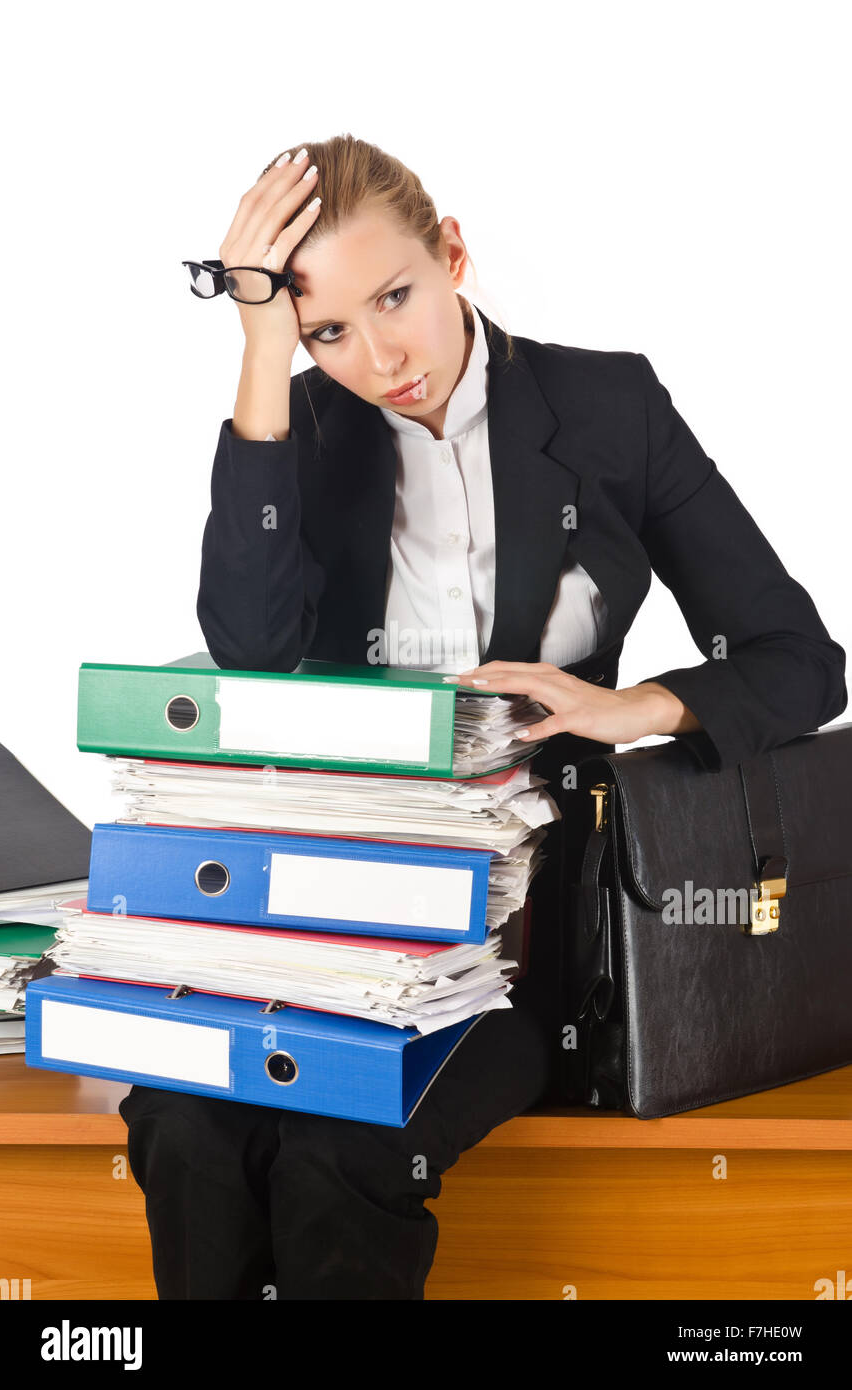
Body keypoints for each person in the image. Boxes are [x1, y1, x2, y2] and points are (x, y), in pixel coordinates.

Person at [119, 134, 847, 1301]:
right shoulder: (301, 424)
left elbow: (802, 662)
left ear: (452, 252)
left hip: (515, 947)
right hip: (314, 924)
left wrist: (630, 707)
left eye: (396, 296)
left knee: (340, 1150)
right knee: (181, 1126)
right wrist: (262, 345)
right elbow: (249, 656)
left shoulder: (607, 407)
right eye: (329, 330)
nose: (381, 355)